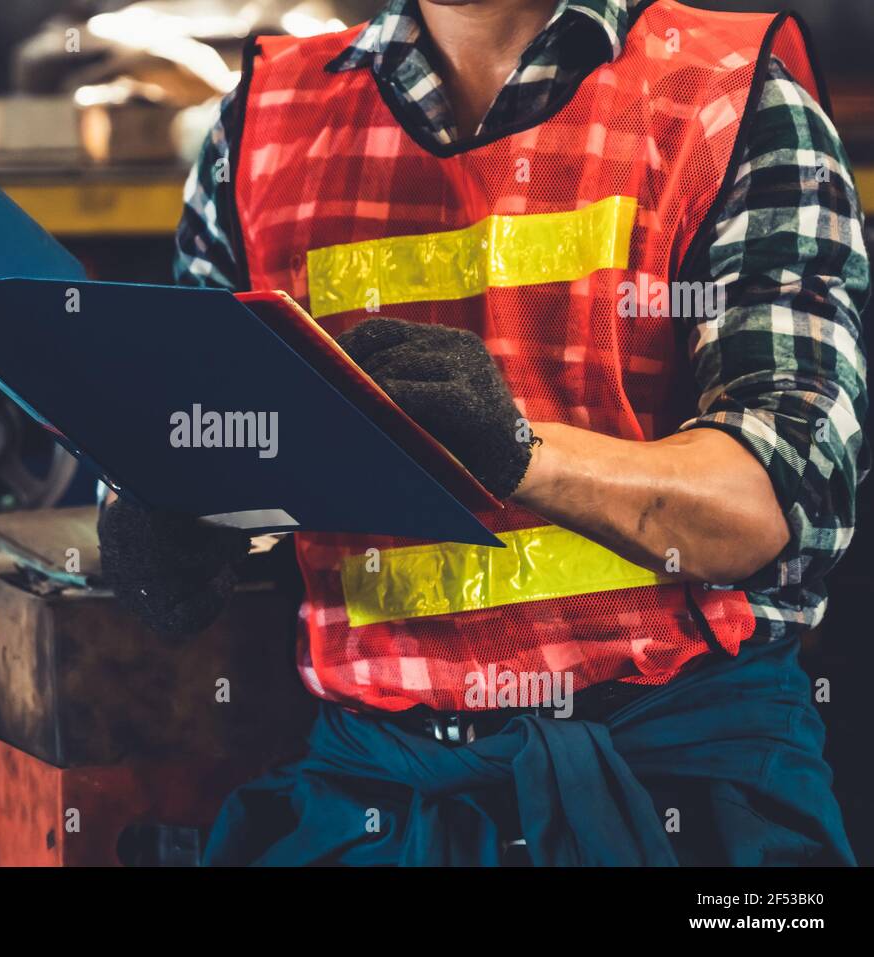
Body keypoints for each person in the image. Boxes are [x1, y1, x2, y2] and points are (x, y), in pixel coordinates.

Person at [98, 0, 868, 865]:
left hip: (680, 802)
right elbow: (197, 434)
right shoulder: (262, 128)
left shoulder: (727, 104)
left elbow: (771, 502)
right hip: (376, 806)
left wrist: (518, 455)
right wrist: (167, 516)